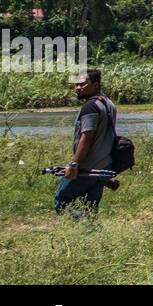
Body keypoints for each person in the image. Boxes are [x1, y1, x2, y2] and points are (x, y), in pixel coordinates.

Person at [53, 69, 117, 214]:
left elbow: (86, 137)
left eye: (83, 84)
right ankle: (90, 232)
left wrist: (74, 164)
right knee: (90, 206)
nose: (78, 88)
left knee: (61, 200)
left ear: (96, 84)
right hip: (104, 163)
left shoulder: (90, 106)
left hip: (88, 166)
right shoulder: (108, 103)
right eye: (76, 85)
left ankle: (81, 226)